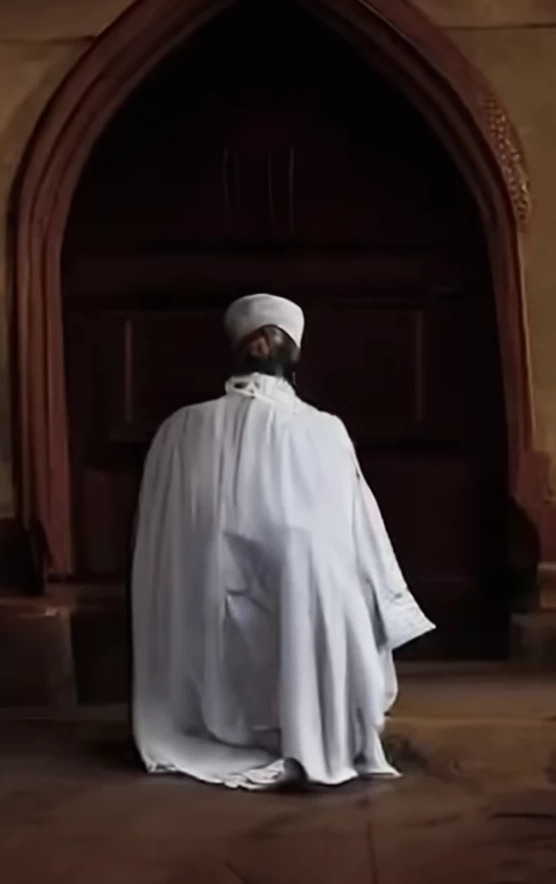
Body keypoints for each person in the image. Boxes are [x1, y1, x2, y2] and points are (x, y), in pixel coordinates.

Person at [130, 293, 434, 790]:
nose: (267, 340)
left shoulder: (318, 428)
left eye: (273, 333)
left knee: (318, 584)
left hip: (295, 584)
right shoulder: (184, 429)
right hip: (237, 590)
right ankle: (300, 722)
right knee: (316, 590)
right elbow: (169, 537)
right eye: (262, 333)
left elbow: (350, 520)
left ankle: (297, 719)